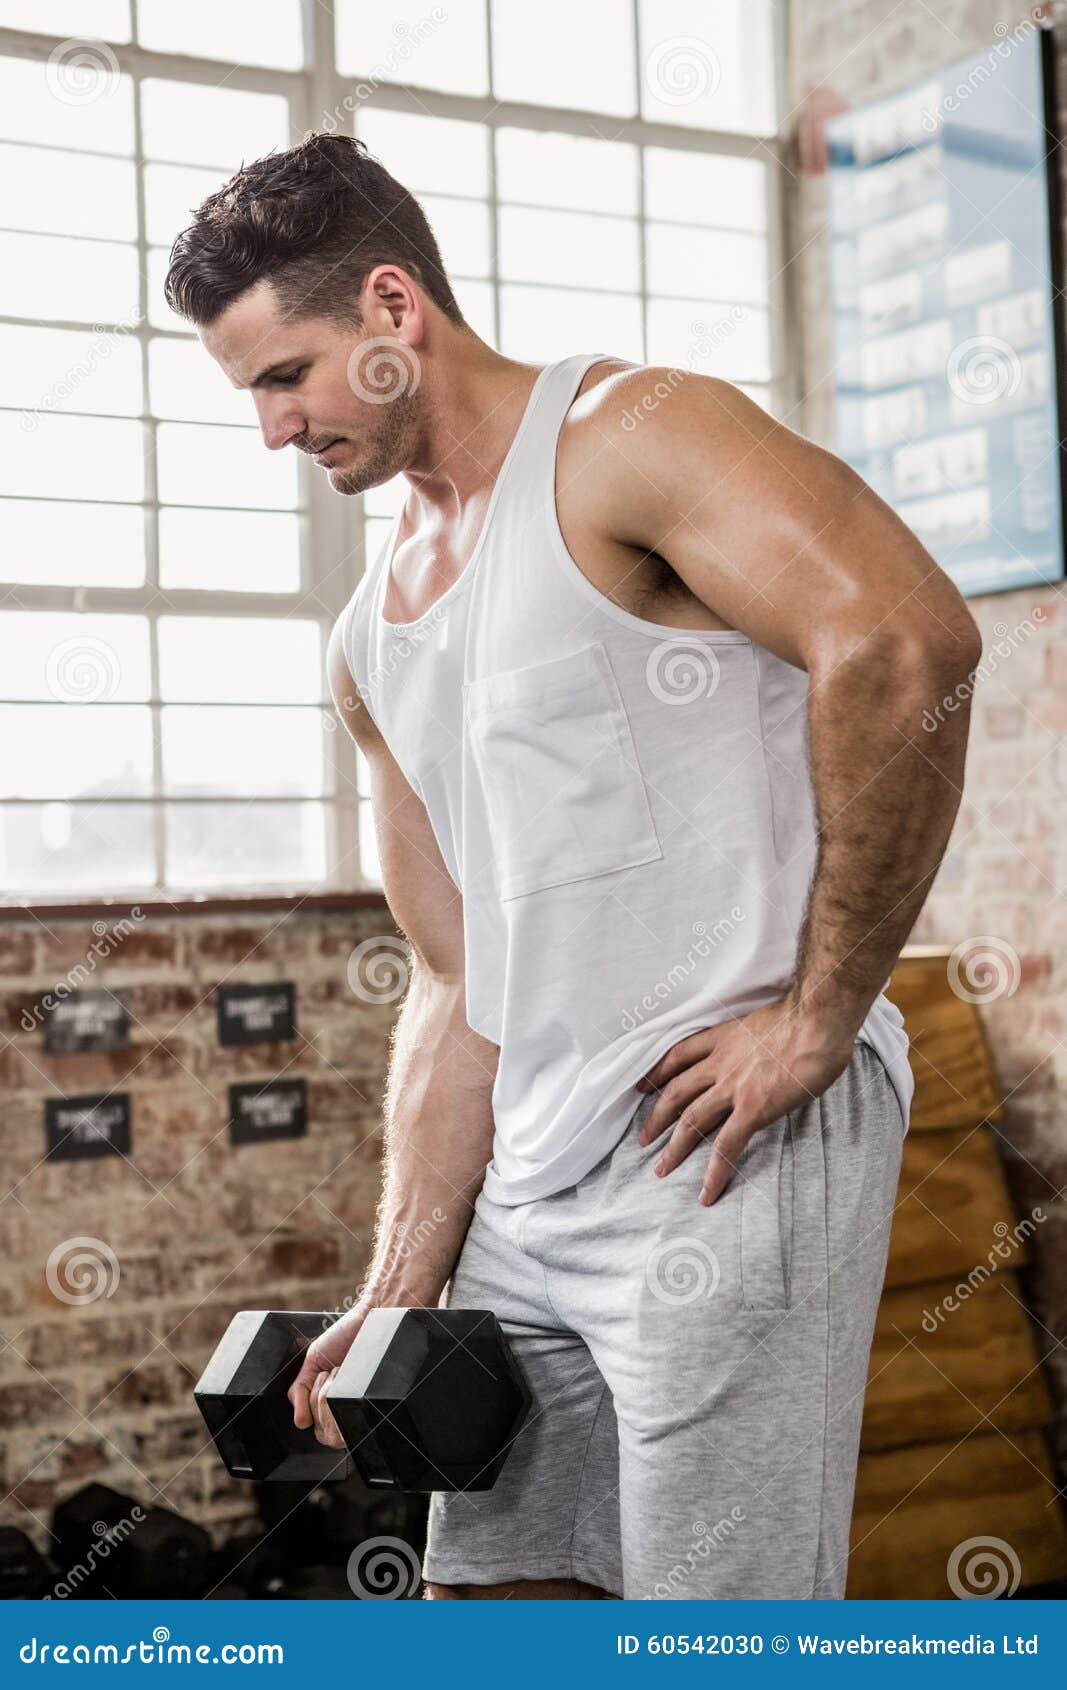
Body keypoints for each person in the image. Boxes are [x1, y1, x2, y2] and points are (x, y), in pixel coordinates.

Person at [166, 133, 981, 1599]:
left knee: (711, 1624)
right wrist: (400, 1279)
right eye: (251, 395)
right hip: (526, 1193)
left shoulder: (632, 437)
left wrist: (815, 1013)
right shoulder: (374, 636)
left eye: (283, 376)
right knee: (499, 1604)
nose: (274, 429)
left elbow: (905, 638)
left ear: (392, 312)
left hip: (722, 1150)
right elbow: (453, 974)